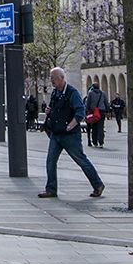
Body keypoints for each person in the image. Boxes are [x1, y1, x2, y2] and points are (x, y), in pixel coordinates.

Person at [37, 67, 105, 199]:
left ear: (62, 78)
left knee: (81, 160)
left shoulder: (72, 93)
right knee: (50, 161)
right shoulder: (55, 93)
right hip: (56, 134)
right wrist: (49, 112)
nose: (52, 81)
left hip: (70, 135)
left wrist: (70, 126)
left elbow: (80, 112)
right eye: (51, 78)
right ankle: (51, 189)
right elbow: (55, 110)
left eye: (54, 78)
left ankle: (98, 185)